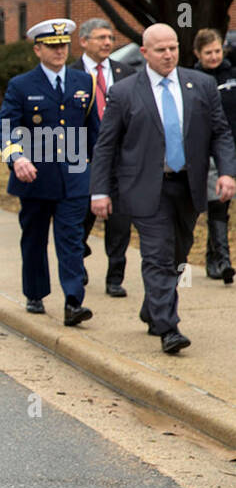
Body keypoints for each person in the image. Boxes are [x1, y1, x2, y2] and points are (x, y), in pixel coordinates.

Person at [91, 24, 236, 354]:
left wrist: (227, 172)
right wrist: (99, 191)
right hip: (145, 188)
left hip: (189, 186)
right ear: (144, 53)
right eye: (160, 49)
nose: (168, 54)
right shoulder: (126, 92)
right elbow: (106, 146)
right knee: (157, 254)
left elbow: (221, 133)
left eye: (173, 48)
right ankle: (168, 327)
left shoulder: (200, 84)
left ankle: (152, 308)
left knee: (178, 254)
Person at [0, 19, 99, 325]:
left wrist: (103, 175)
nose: (59, 51)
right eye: (52, 46)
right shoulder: (21, 85)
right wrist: (17, 158)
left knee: (72, 239)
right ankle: (35, 293)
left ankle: (72, 301)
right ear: (38, 49)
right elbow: (6, 127)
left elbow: (94, 133)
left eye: (63, 46)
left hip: (75, 178)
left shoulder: (84, 83)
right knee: (35, 239)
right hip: (35, 178)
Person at [77, 18, 135, 297]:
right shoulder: (71, 74)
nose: (107, 43)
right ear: (84, 41)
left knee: (120, 223)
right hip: (84, 162)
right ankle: (77, 264)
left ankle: (115, 278)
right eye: (100, 37)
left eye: (110, 38)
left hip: (120, 162)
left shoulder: (126, 72)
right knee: (79, 223)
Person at [192, 27, 236, 283]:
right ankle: (224, 261)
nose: (214, 56)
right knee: (217, 203)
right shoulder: (193, 80)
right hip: (208, 152)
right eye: (208, 52)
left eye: (217, 50)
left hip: (232, 149)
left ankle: (212, 259)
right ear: (198, 53)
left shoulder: (232, 75)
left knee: (222, 204)